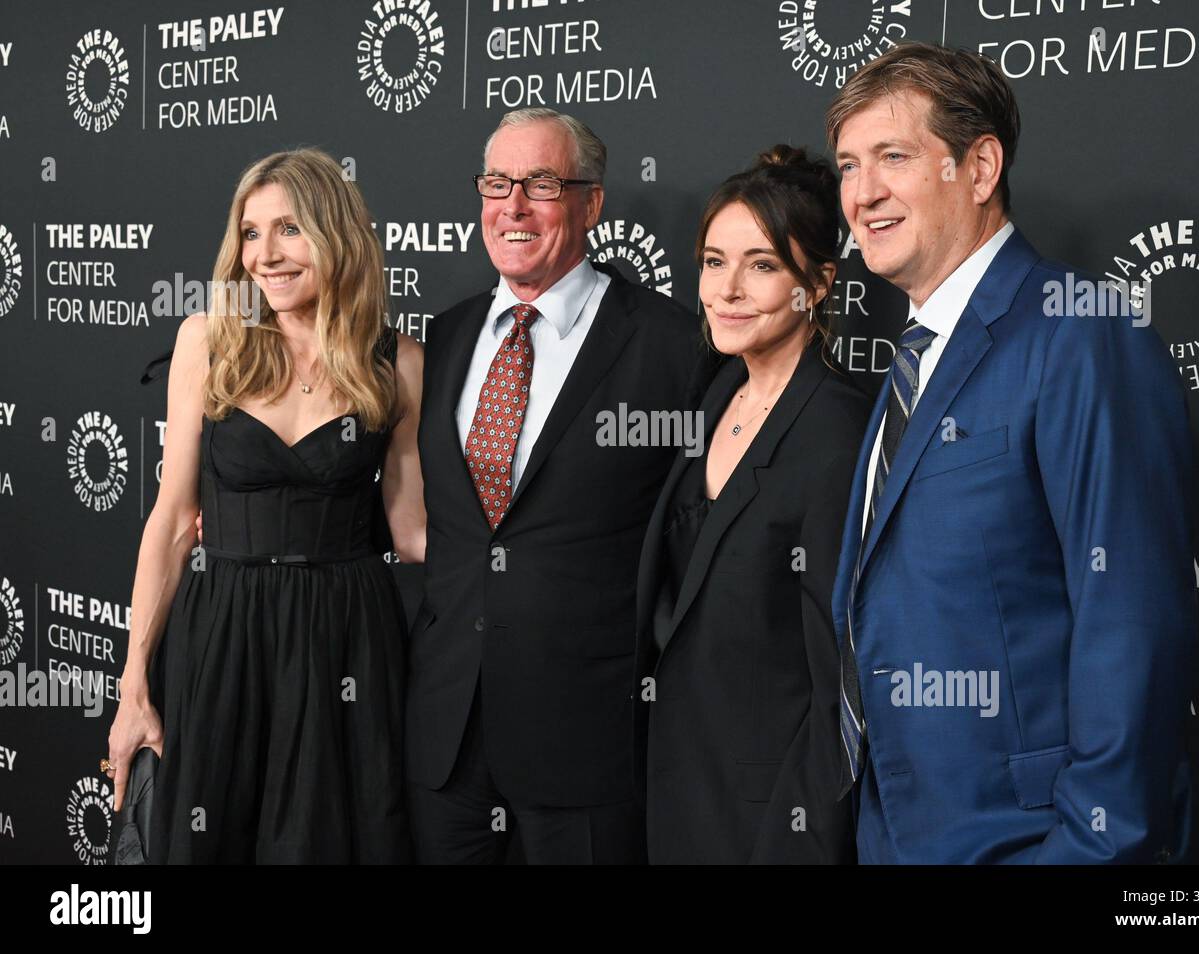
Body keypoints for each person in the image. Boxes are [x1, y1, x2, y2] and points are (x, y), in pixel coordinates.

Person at [827, 43, 1196, 863]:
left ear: (981, 166)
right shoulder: (914, 358)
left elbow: (1131, 624)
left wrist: (1091, 848)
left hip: (1032, 841)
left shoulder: (1084, 332)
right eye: (849, 166)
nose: (862, 194)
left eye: (893, 157)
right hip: (899, 833)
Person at [405, 107, 713, 864]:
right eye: (496, 182)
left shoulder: (672, 346)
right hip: (447, 746)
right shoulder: (440, 341)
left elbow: (698, 543)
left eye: (540, 182)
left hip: (587, 751)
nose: (512, 205)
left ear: (591, 203)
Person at [108, 148, 426, 863]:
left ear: (337, 235)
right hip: (222, 631)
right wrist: (133, 688)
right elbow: (170, 522)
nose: (265, 255)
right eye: (250, 233)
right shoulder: (209, 342)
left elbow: (411, 533)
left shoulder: (396, 361)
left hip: (347, 638)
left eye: (289, 230)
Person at [633, 146, 867, 864]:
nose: (727, 290)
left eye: (762, 265)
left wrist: (802, 834)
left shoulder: (839, 428)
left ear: (819, 283)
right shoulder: (715, 395)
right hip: (679, 783)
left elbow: (839, 681)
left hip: (770, 817)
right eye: (712, 261)